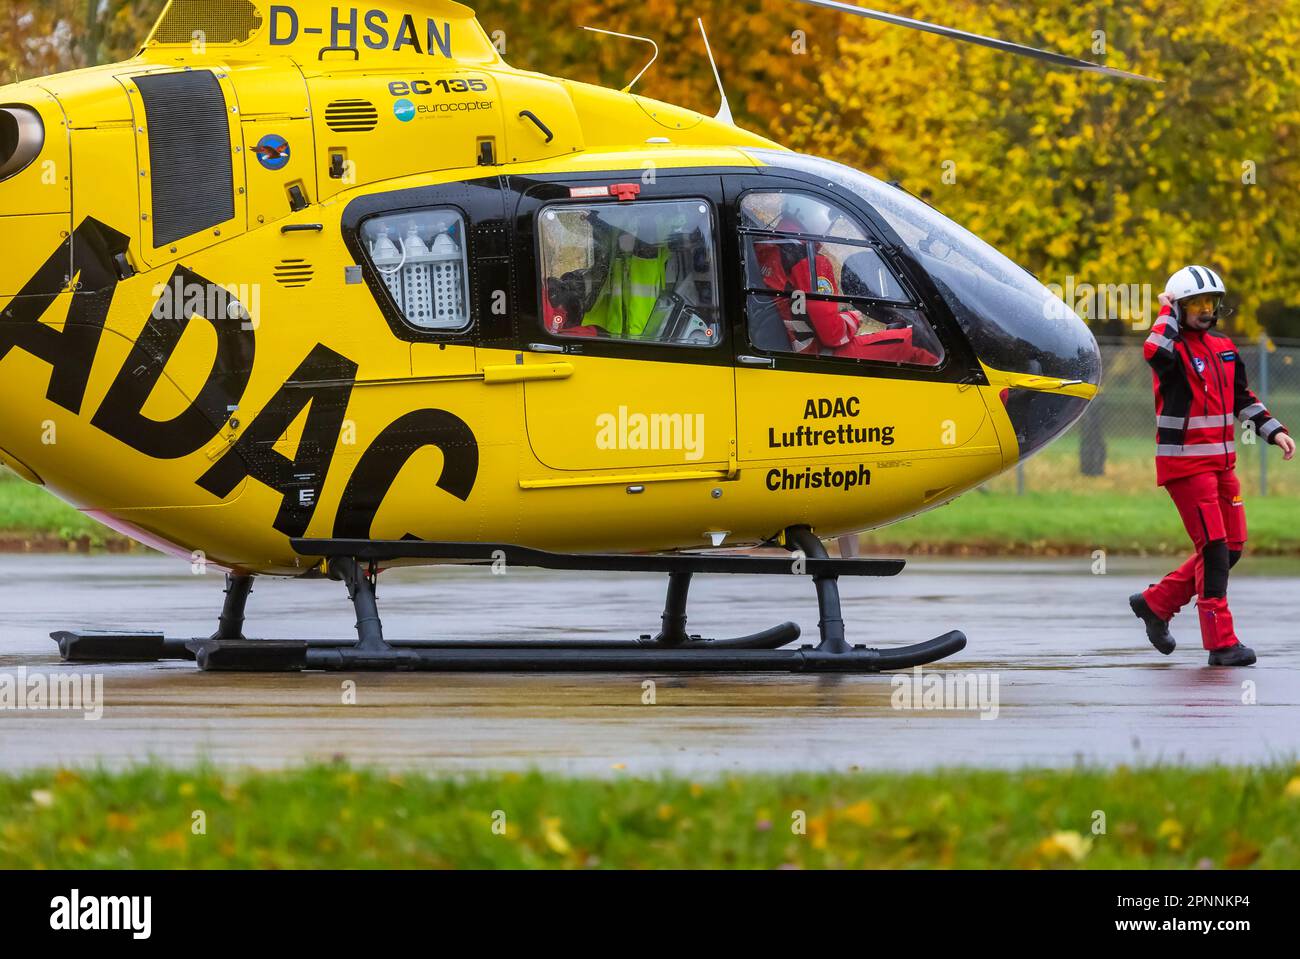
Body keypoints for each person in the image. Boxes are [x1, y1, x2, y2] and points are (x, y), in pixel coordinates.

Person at [1130, 266, 1295, 666]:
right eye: (1196, 304)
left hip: (1222, 466)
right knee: (1215, 549)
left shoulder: (1223, 347)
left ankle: (1157, 602)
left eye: (1211, 303)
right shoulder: (1170, 353)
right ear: (1178, 307)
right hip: (1186, 467)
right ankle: (1221, 643)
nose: (1206, 311)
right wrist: (1166, 313)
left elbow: (1242, 397)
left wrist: (1273, 431)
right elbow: (1154, 350)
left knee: (1232, 546)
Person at [751, 196, 940, 364]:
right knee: (917, 343)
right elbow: (833, 335)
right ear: (816, 215)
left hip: (784, 348)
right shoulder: (809, 261)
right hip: (813, 357)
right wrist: (853, 318)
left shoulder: (762, 247)